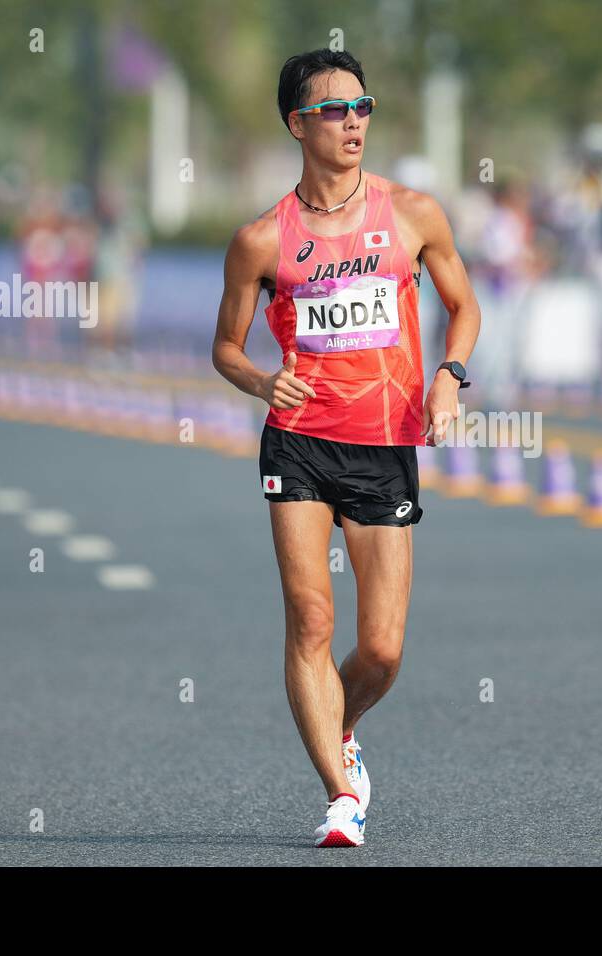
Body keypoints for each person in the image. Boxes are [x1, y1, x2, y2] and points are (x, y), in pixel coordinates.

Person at [212, 49, 481, 847]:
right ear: (299, 125)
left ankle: (343, 724)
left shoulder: (412, 214)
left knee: (382, 649)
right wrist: (263, 383)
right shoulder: (262, 240)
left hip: (384, 442)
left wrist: (448, 379)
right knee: (310, 620)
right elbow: (225, 348)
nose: (355, 122)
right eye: (336, 110)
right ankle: (340, 795)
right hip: (298, 443)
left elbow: (463, 306)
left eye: (363, 107)